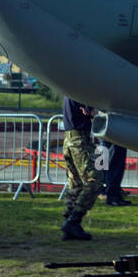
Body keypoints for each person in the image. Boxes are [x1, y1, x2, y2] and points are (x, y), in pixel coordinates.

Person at [61, 97, 101, 240]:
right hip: (80, 140)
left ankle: (69, 222)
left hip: (69, 139)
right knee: (95, 180)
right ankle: (73, 221)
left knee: (76, 185)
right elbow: (93, 113)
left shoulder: (68, 88)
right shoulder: (79, 89)